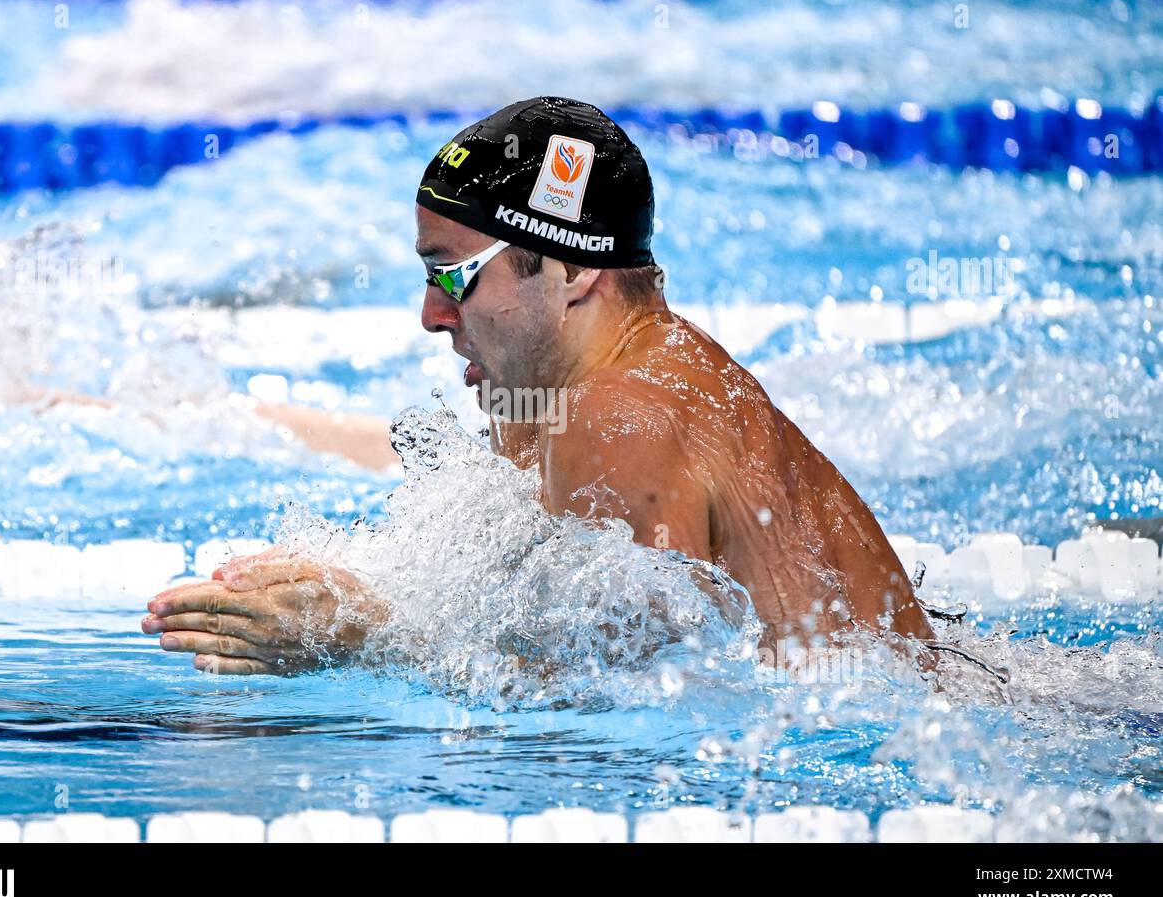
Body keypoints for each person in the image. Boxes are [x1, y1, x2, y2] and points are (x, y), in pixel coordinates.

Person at [144, 96, 935, 677]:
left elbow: (655, 702)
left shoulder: (620, 415)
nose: (430, 315)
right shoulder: (559, 391)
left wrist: (353, 633)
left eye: (452, 274)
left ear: (570, 271)